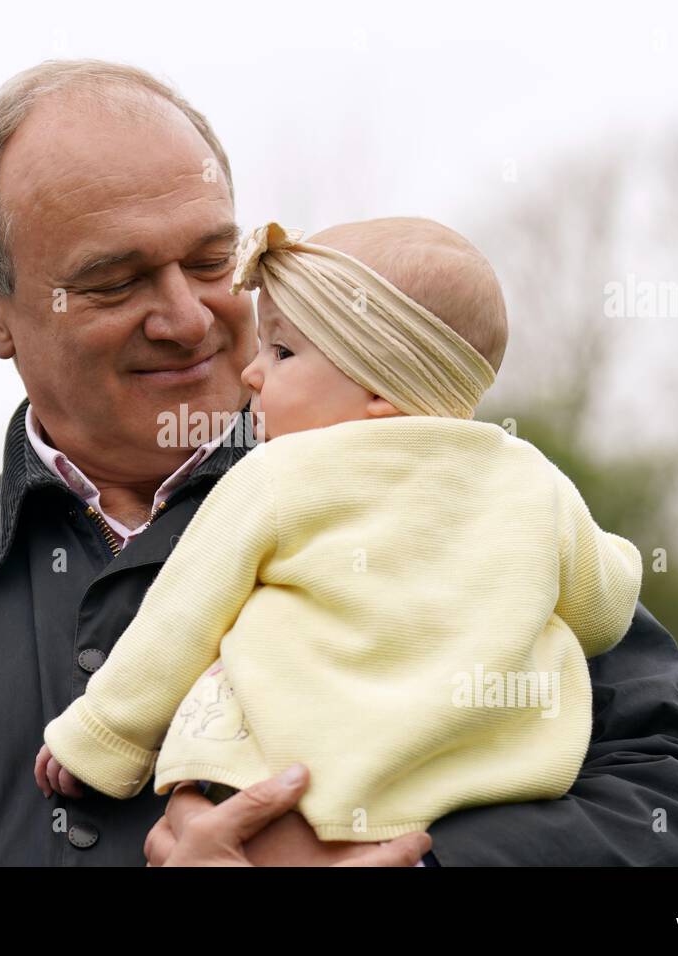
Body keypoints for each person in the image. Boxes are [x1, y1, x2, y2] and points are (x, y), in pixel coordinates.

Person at [0, 59, 678, 867]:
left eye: (212, 258)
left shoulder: (466, 502)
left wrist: (408, 868)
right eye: (119, 278)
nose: (190, 318)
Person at [35, 216, 642, 846]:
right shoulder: (531, 480)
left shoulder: (277, 474)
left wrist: (103, 735)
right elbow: (601, 617)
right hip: (482, 809)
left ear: (381, 388)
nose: (252, 372)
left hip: (291, 801)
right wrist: (619, 558)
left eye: (284, 352)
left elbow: (180, 621)